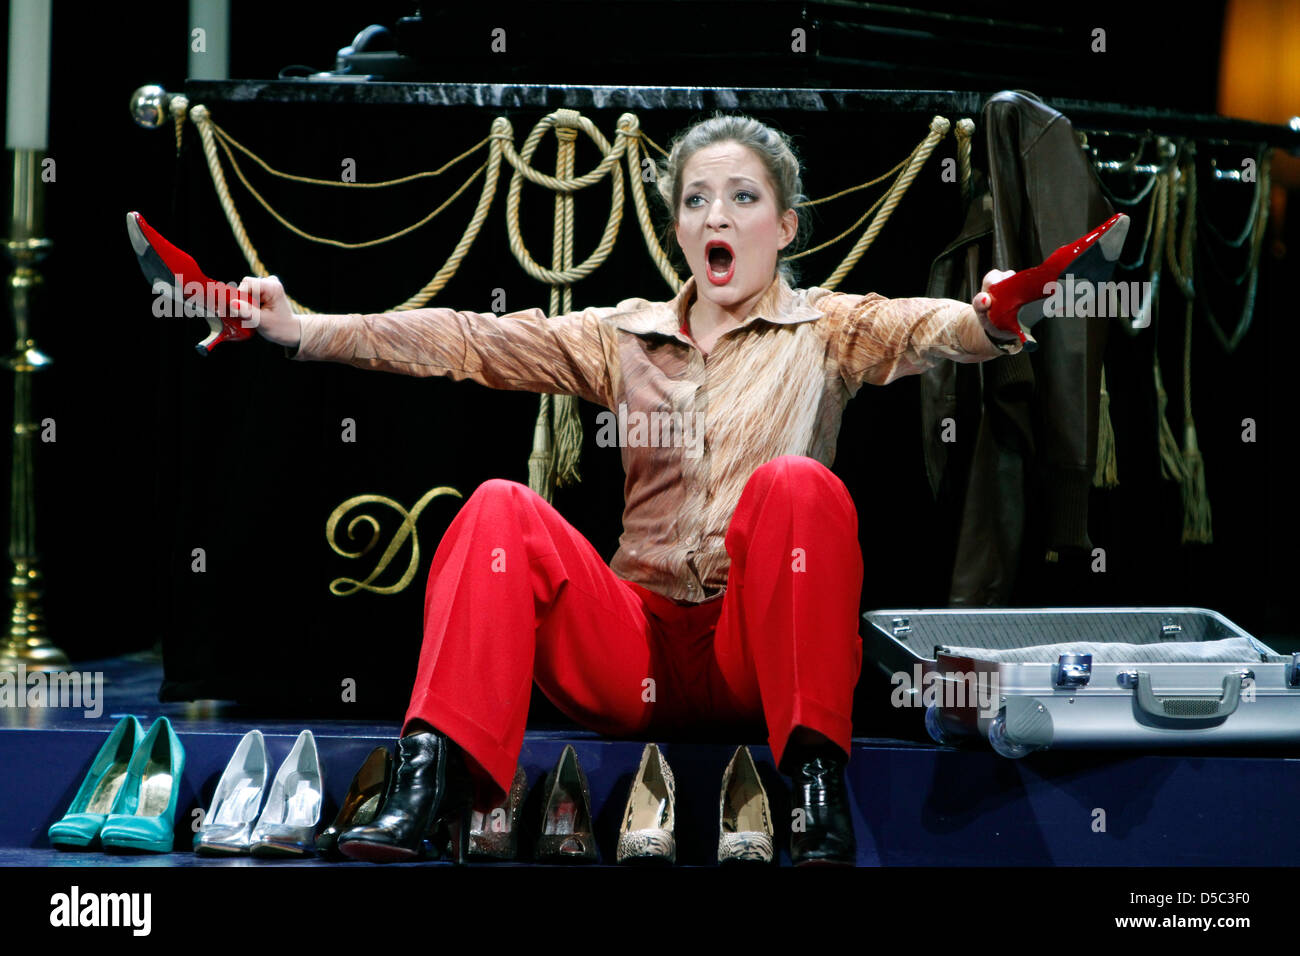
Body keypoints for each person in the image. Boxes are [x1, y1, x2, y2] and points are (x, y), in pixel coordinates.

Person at [233, 112, 1023, 866]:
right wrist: (303, 328)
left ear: (783, 229)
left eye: (744, 198)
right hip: (632, 654)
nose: (719, 215)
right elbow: (473, 340)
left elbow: (931, 326)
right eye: (696, 199)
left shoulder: (829, 328)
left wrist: (987, 320)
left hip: (753, 657)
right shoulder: (625, 335)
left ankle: (816, 788)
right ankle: (426, 780)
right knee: (497, 507)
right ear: (678, 228)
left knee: (798, 485)